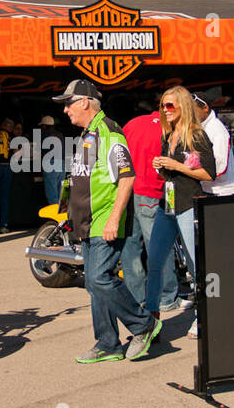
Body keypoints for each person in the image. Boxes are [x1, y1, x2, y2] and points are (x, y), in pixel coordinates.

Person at [52, 79, 159, 363]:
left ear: (85, 102)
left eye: (68, 103)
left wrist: (113, 220)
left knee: (100, 278)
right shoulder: (90, 134)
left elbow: (127, 177)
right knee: (93, 284)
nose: (65, 110)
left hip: (104, 221)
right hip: (86, 221)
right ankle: (108, 344)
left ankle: (144, 325)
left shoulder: (110, 133)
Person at [144, 86, 217, 341]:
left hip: (188, 203)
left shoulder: (196, 136)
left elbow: (208, 173)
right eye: (163, 105)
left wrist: (175, 165)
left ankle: (206, 315)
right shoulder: (169, 135)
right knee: (154, 260)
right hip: (169, 204)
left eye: (170, 105)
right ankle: (150, 320)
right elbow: (175, 172)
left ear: (183, 106)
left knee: (196, 263)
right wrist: (163, 168)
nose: (165, 110)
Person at [121, 107, 179, 313]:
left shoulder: (133, 124)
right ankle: (167, 297)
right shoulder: (170, 128)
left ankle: (138, 297)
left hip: (128, 192)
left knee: (130, 248)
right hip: (153, 192)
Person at [192, 93, 234, 196]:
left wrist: (188, 171)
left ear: (205, 108)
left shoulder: (217, 130)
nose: (190, 114)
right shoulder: (200, 128)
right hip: (207, 189)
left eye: (193, 110)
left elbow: (220, 166)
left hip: (221, 192)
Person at [40, 115, 66, 206]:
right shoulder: (60, 134)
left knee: (52, 195)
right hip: (62, 163)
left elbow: (38, 151)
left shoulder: (43, 134)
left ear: (44, 126)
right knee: (61, 195)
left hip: (50, 163)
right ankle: (62, 218)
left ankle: (54, 219)